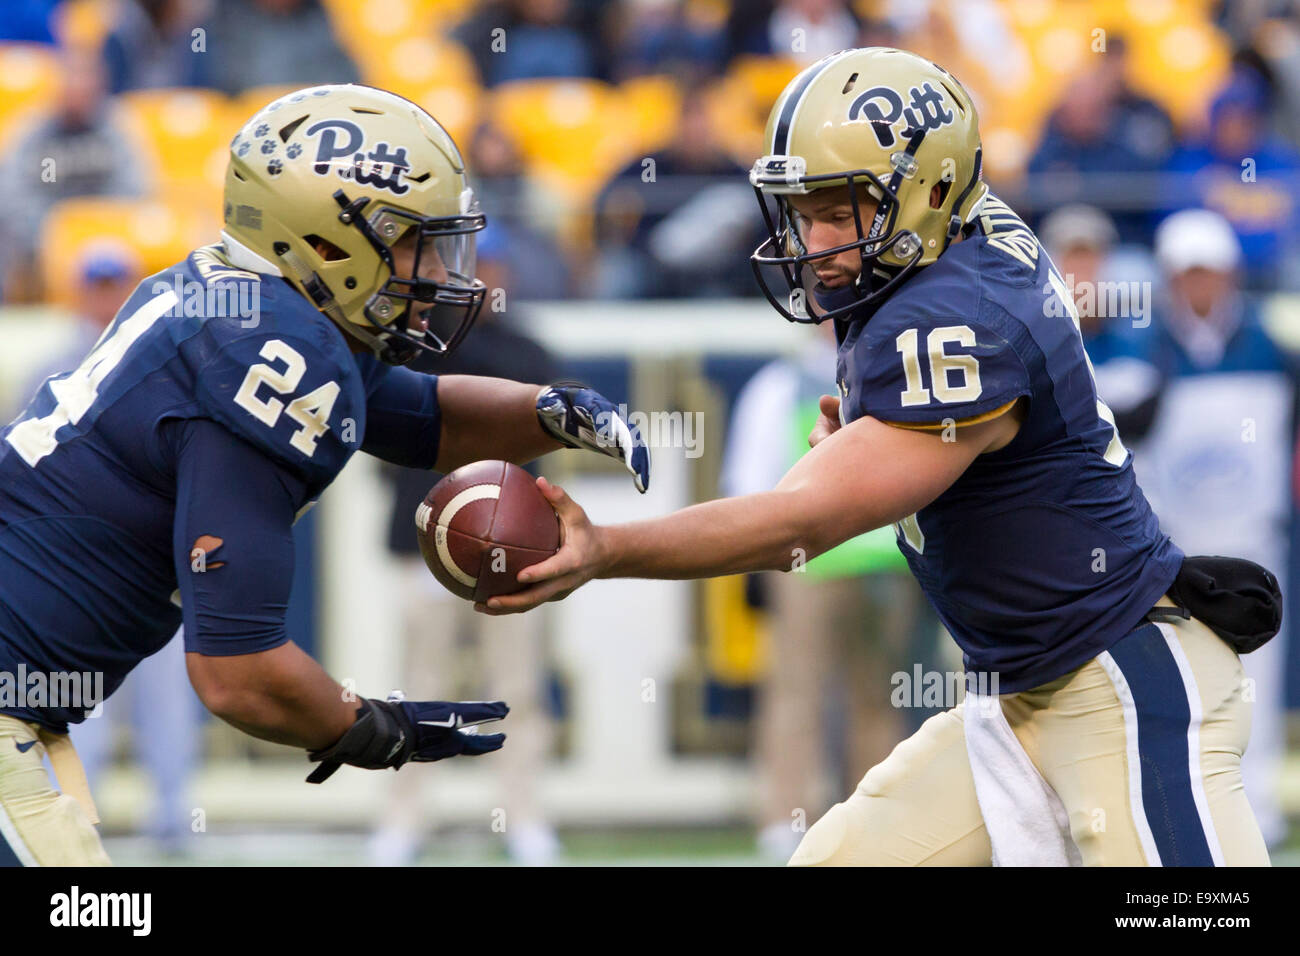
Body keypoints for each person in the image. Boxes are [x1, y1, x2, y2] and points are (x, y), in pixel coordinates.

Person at [481, 48, 1278, 866]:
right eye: (800, 209)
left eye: (841, 209)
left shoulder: (956, 317)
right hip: (1017, 696)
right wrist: (876, 430)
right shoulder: (953, 239)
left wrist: (609, 548)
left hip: (1120, 678)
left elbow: (803, 521)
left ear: (931, 192)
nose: (814, 240)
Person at [0, 84, 649, 866]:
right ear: (325, 241)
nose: (443, 271)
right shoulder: (271, 350)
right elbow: (238, 673)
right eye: (416, 242)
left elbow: (422, 417)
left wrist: (551, 411)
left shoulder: (245, 303)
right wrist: (381, 729)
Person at [1126, 208, 1295, 848]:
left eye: (1210, 273)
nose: (1200, 286)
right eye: (1188, 273)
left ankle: (1260, 820)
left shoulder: (1270, 349)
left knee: (1257, 687)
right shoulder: (1145, 350)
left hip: (1257, 547)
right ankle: (1186, 822)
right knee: (1181, 695)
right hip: (1176, 559)